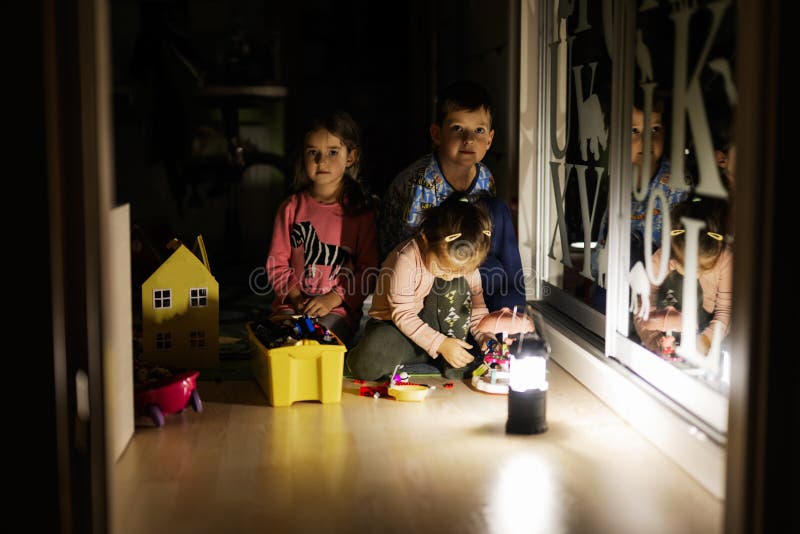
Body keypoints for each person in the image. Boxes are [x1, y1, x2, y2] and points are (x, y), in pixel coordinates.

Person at [379, 80, 526, 310]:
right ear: (437, 134)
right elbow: (410, 250)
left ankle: (510, 314)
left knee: (495, 255)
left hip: (462, 253)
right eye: (458, 128)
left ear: (489, 140)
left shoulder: (485, 177)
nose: (468, 139)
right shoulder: (422, 183)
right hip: (422, 265)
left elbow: (486, 234)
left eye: (478, 131)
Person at [347, 197, 495, 381]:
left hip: (439, 326)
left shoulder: (464, 263)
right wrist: (440, 344)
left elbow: (476, 308)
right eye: (443, 268)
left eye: (462, 271)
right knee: (367, 366)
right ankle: (438, 351)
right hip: (395, 327)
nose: (450, 274)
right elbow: (402, 314)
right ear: (425, 240)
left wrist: (485, 336)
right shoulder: (406, 258)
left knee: (455, 285)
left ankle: (450, 357)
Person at [266, 111, 378, 347]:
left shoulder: (361, 213)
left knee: (319, 341)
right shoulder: (290, 208)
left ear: (351, 157)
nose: (322, 161)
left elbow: (368, 270)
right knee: (285, 340)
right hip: (292, 306)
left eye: (333, 152)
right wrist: (296, 298)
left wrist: (333, 298)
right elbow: (276, 263)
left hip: (337, 310)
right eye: (313, 152)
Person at [591, 93, 691, 309]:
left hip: (654, 296)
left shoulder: (676, 184)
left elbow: (679, 247)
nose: (646, 141)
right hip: (611, 286)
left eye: (654, 130)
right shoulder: (619, 178)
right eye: (634, 131)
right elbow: (604, 236)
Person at [633, 196, 733, 356]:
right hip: (663, 333)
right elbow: (641, 303)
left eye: (701, 269)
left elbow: (725, 312)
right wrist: (654, 340)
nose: (694, 274)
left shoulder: (725, 259)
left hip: (706, 332)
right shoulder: (663, 257)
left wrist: (703, 344)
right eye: (687, 268)